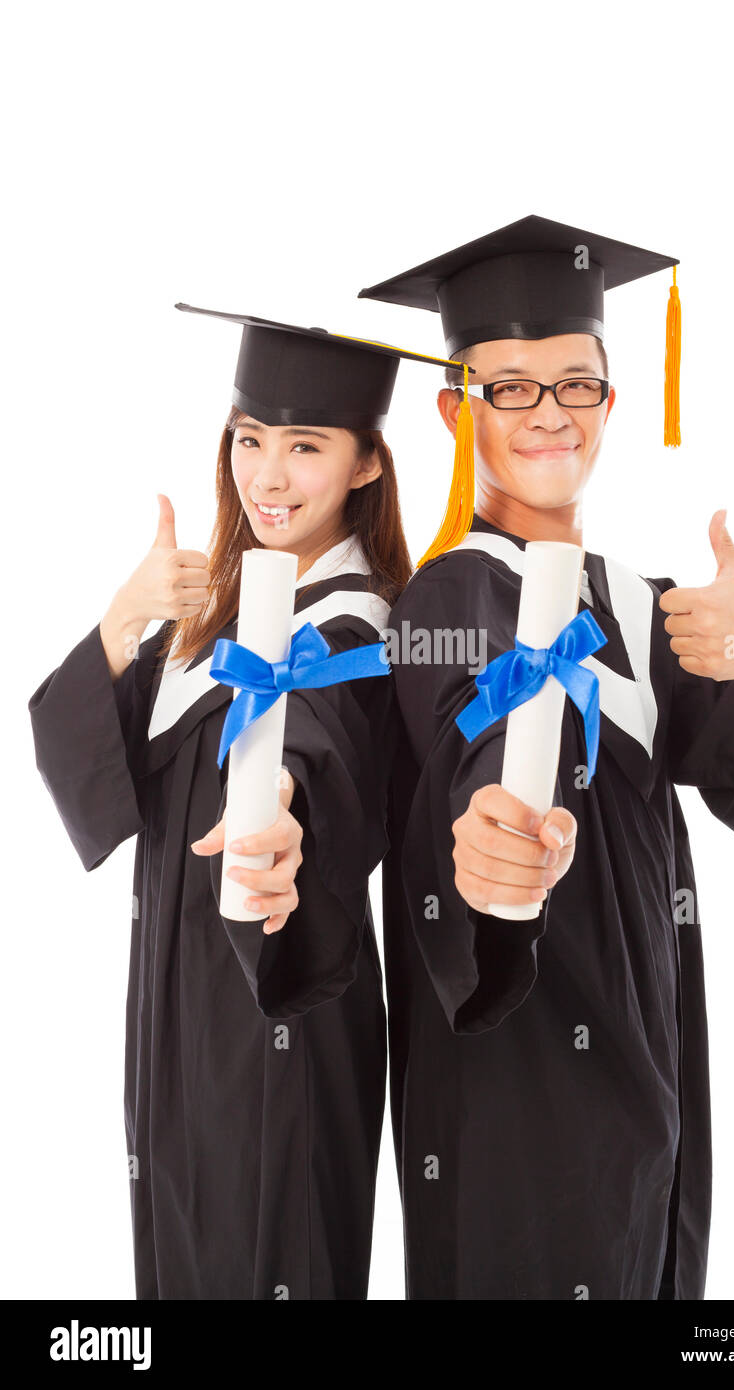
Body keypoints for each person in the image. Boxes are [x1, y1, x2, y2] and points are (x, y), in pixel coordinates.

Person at [360, 215, 734, 1300]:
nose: (547, 414)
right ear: (454, 406)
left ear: (611, 401)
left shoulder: (640, 603)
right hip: (515, 1087)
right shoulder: (446, 594)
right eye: (510, 387)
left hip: (648, 1068)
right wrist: (493, 840)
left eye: (575, 384)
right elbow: (468, 727)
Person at [28, 302, 466, 1300]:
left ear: (365, 463)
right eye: (249, 439)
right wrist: (124, 617)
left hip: (280, 1025)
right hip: (173, 1030)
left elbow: (327, 758)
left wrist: (277, 801)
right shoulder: (213, 624)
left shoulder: (362, 632)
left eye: (304, 445)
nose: (266, 474)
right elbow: (81, 771)